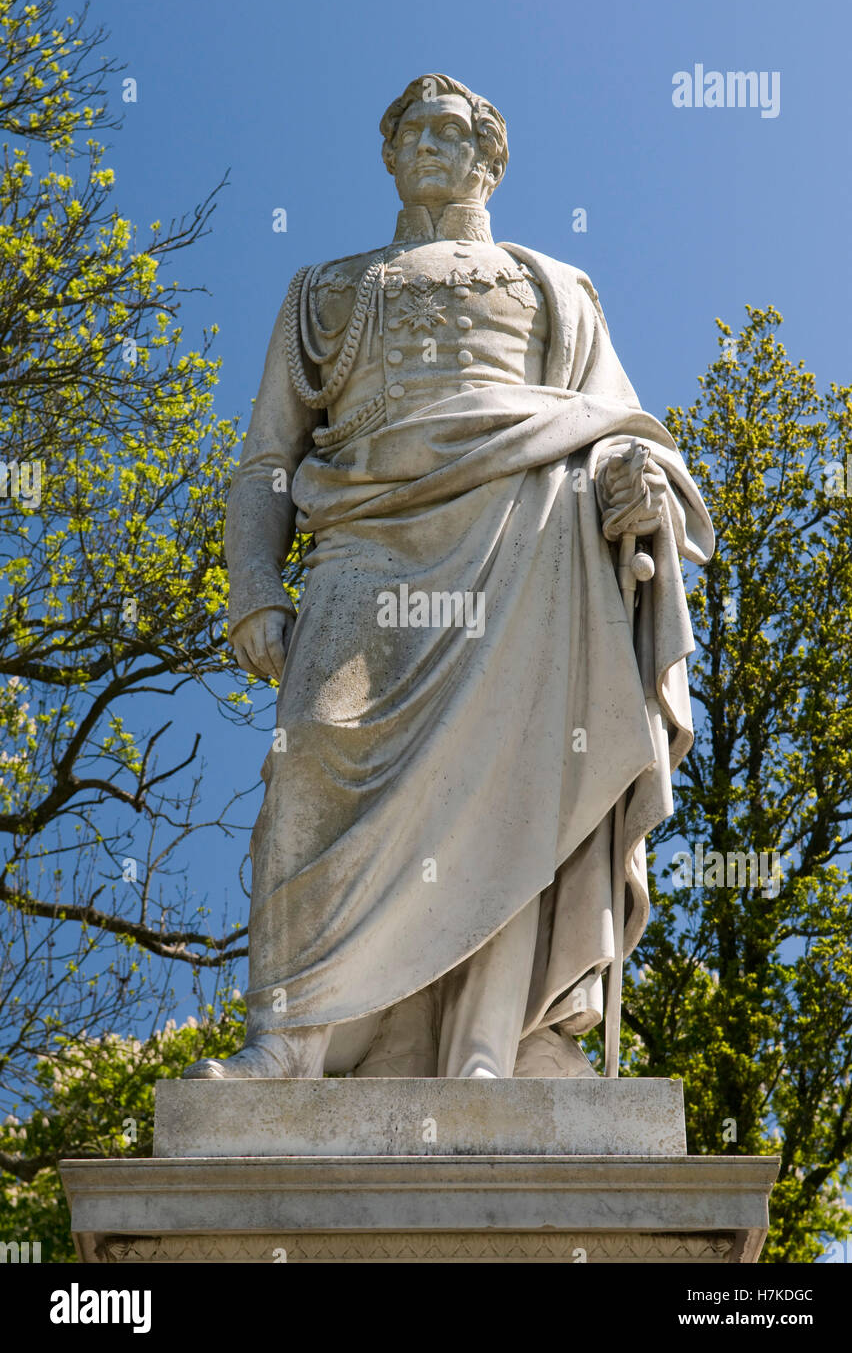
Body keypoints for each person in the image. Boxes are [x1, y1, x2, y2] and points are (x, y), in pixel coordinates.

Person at [185, 74, 713, 1082]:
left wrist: (635, 481)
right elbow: (266, 461)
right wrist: (255, 580)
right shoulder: (324, 289)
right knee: (308, 763)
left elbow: (608, 425)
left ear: (488, 159)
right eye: (413, 130)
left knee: (517, 786)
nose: (432, 142)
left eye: (454, 130)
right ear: (388, 155)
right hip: (361, 543)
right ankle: (287, 1043)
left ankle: (488, 1049)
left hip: (525, 545)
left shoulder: (554, 282)